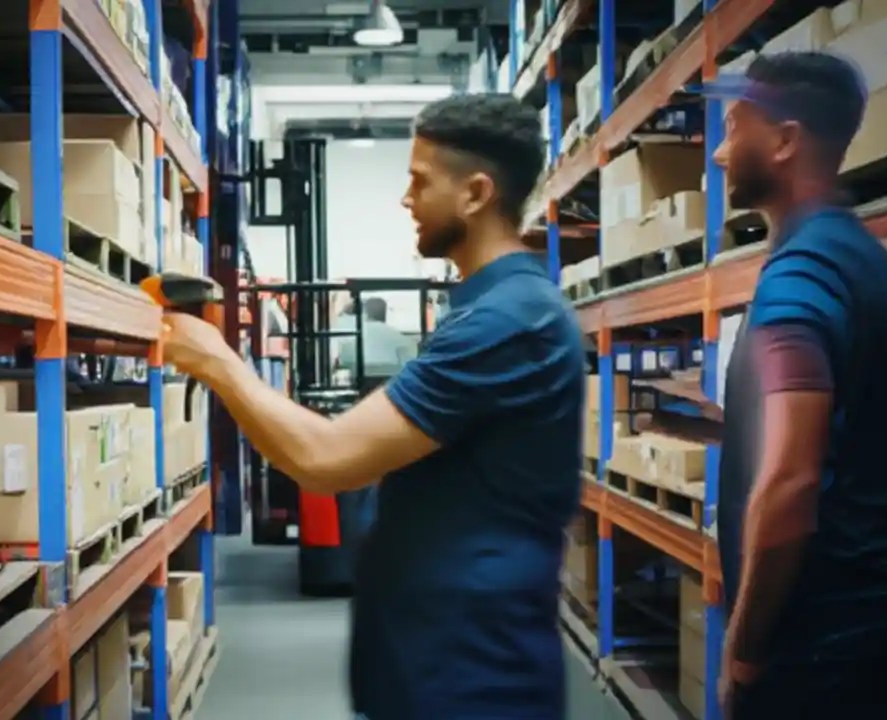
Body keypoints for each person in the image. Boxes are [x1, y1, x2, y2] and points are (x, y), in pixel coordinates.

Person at [161, 93, 585, 719]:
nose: (406, 198)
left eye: (419, 181)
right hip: (434, 659)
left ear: (475, 194)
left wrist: (219, 362)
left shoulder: (510, 321)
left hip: (472, 678)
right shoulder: (485, 307)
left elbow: (326, 459)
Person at [707, 51, 887, 718]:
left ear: (783, 141)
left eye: (734, 126)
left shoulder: (801, 278)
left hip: (813, 654)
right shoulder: (873, 263)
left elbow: (792, 481)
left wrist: (742, 648)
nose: (719, 154)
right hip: (874, 632)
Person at [335, 296, 419, 381]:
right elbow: (409, 363)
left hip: (358, 383)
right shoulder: (398, 337)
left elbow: (345, 361)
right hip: (388, 384)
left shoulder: (354, 334)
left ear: (366, 312)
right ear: (385, 313)